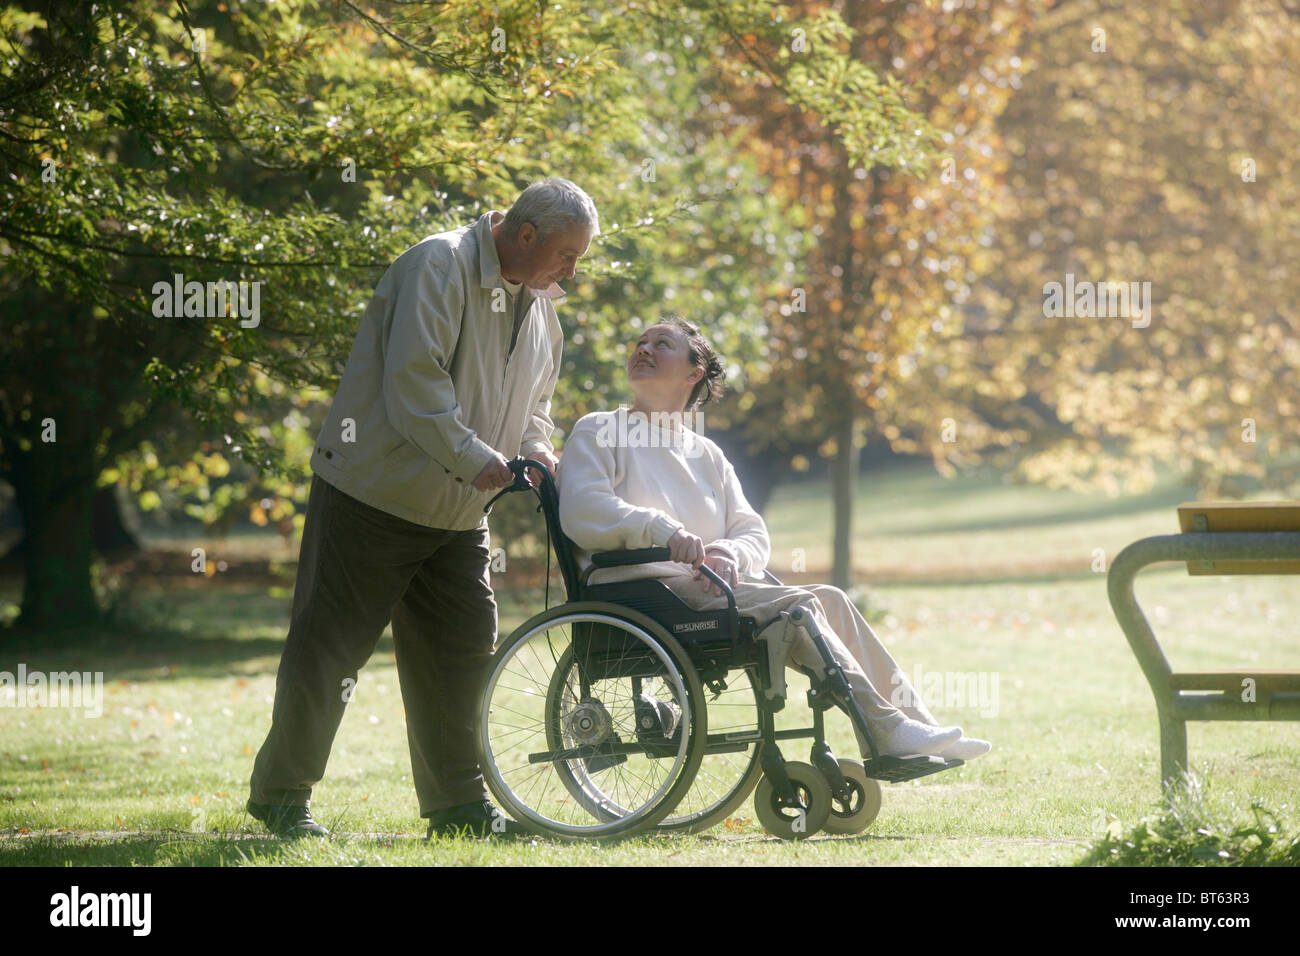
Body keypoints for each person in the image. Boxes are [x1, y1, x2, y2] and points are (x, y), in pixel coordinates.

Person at [246, 177, 599, 839]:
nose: (572, 273)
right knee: (330, 651)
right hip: (373, 496)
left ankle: (460, 809)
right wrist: (474, 457)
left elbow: (537, 407)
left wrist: (535, 450)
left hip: (460, 514)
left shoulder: (541, 307)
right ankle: (281, 797)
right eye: (567, 255)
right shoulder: (438, 264)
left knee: (462, 655)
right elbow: (415, 385)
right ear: (526, 235)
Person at [557, 317, 991, 762]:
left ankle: (920, 728)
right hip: (641, 592)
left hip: (705, 592)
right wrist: (664, 530)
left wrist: (729, 551)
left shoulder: (705, 453)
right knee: (798, 607)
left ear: (694, 373)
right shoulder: (598, 429)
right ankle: (887, 730)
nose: (644, 349)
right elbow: (583, 509)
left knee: (832, 599)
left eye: (662, 343)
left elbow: (751, 530)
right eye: (641, 342)